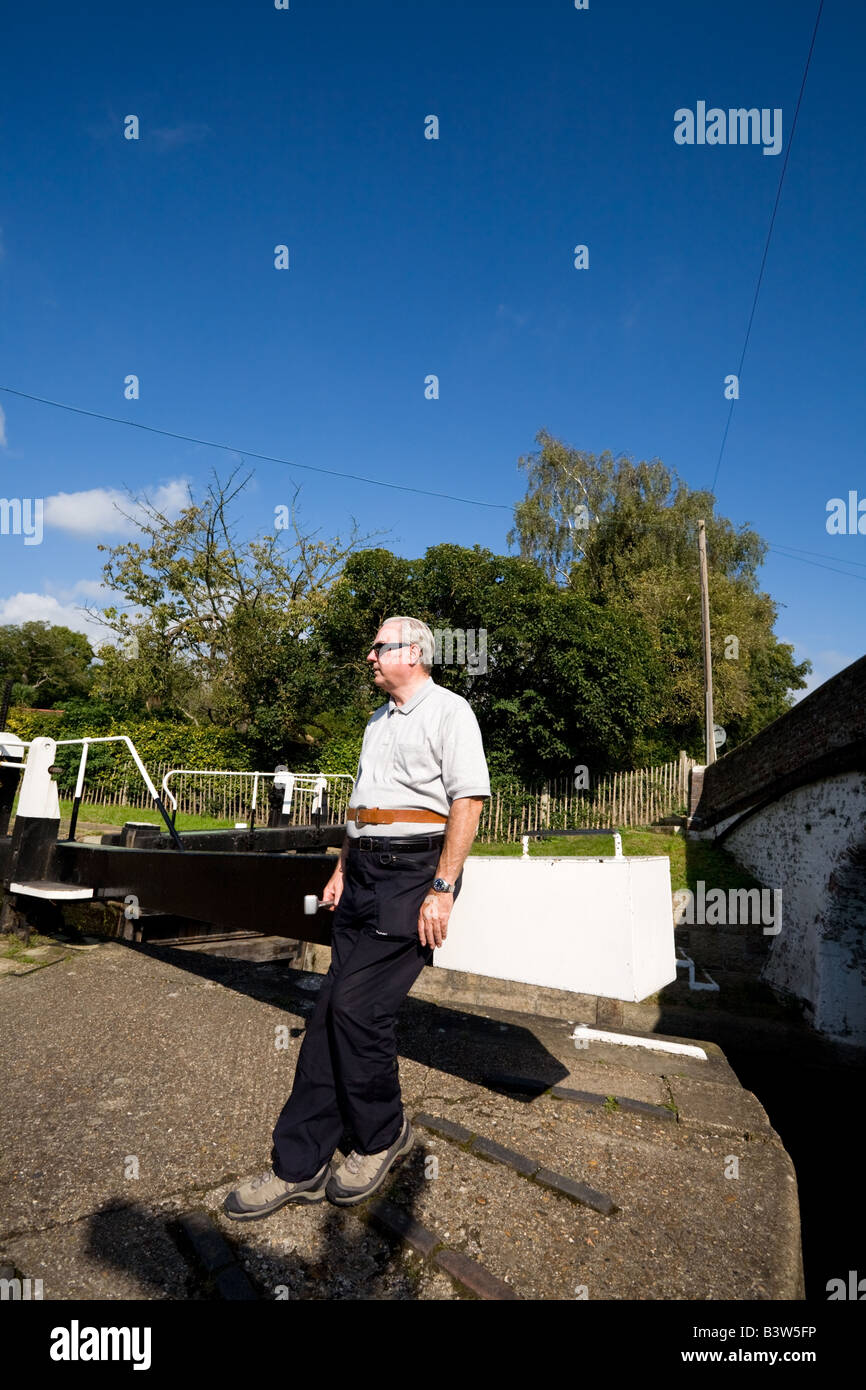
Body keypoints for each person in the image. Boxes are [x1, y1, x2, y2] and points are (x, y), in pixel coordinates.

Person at [224, 615, 490, 1219]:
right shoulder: (377, 723)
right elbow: (361, 806)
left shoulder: (452, 712)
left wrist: (443, 888)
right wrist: (342, 866)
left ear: (414, 652)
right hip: (364, 871)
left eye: (379, 647)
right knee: (326, 1012)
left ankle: (380, 1135)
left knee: (357, 1009)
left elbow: (467, 801)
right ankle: (299, 1164)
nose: (369, 656)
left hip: (414, 873)